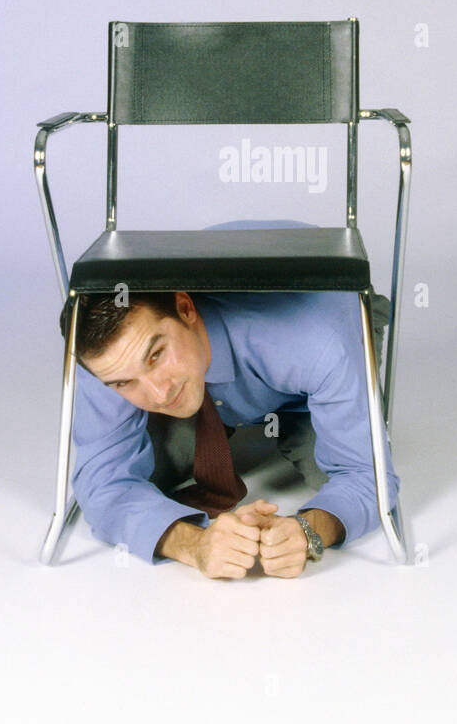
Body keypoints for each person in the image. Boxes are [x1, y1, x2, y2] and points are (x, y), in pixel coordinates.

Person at [63, 240, 397, 580]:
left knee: (326, 475)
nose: (159, 393)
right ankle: (221, 409)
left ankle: (290, 415)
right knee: (153, 475)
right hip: (230, 357)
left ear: (185, 308)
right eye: (124, 383)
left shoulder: (319, 344)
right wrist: (194, 544)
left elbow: (366, 476)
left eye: (156, 355)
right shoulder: (107, 358)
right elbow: (104, 482)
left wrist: (306, 532)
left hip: (328, 317)